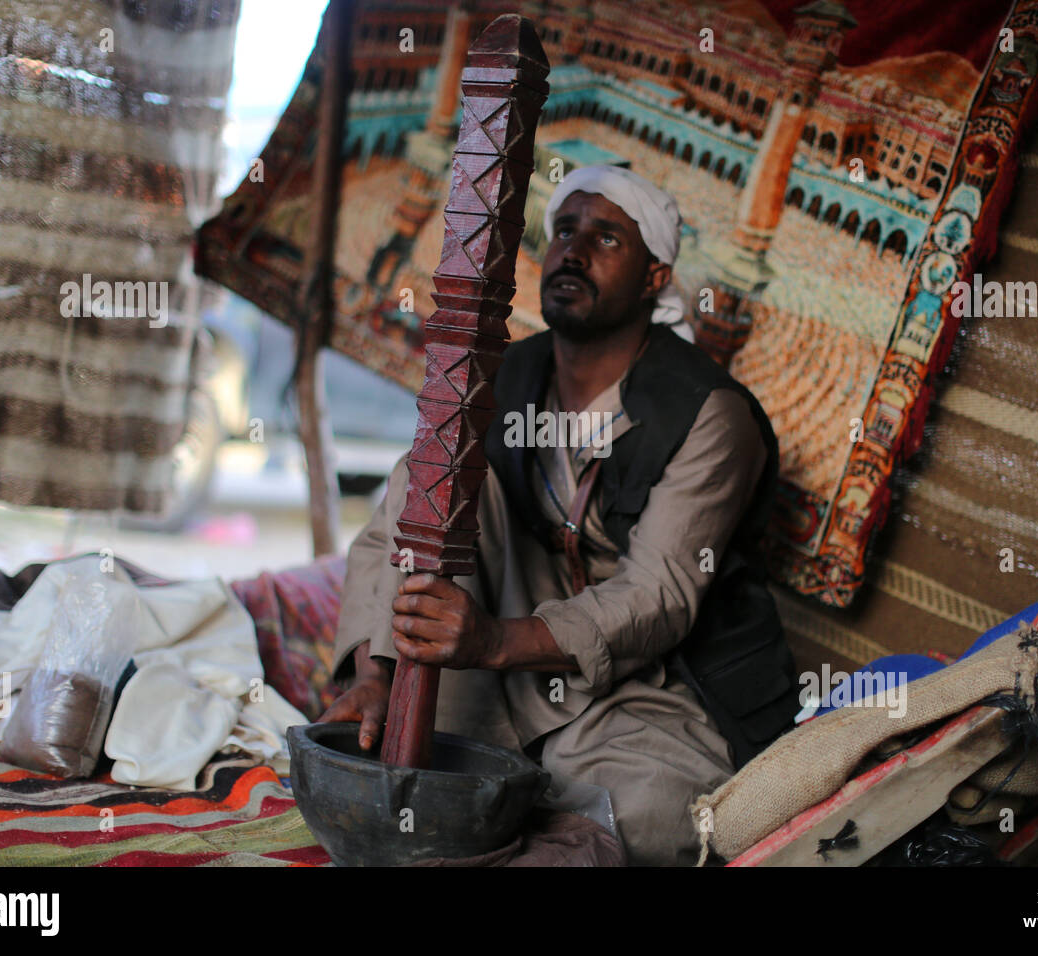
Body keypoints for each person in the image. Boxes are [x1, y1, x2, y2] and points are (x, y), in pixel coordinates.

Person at [324, 165, 797, 866]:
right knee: (441, 473)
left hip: (648, 692)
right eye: (564, 231)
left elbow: (657, 597)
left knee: (638, 821)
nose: (572, 252)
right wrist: (373, 673)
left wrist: (491, 641)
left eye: (606, 239)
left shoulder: (709, 415)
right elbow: (395, 522)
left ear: (654, 278)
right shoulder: (499, 375)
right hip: (499, 665)